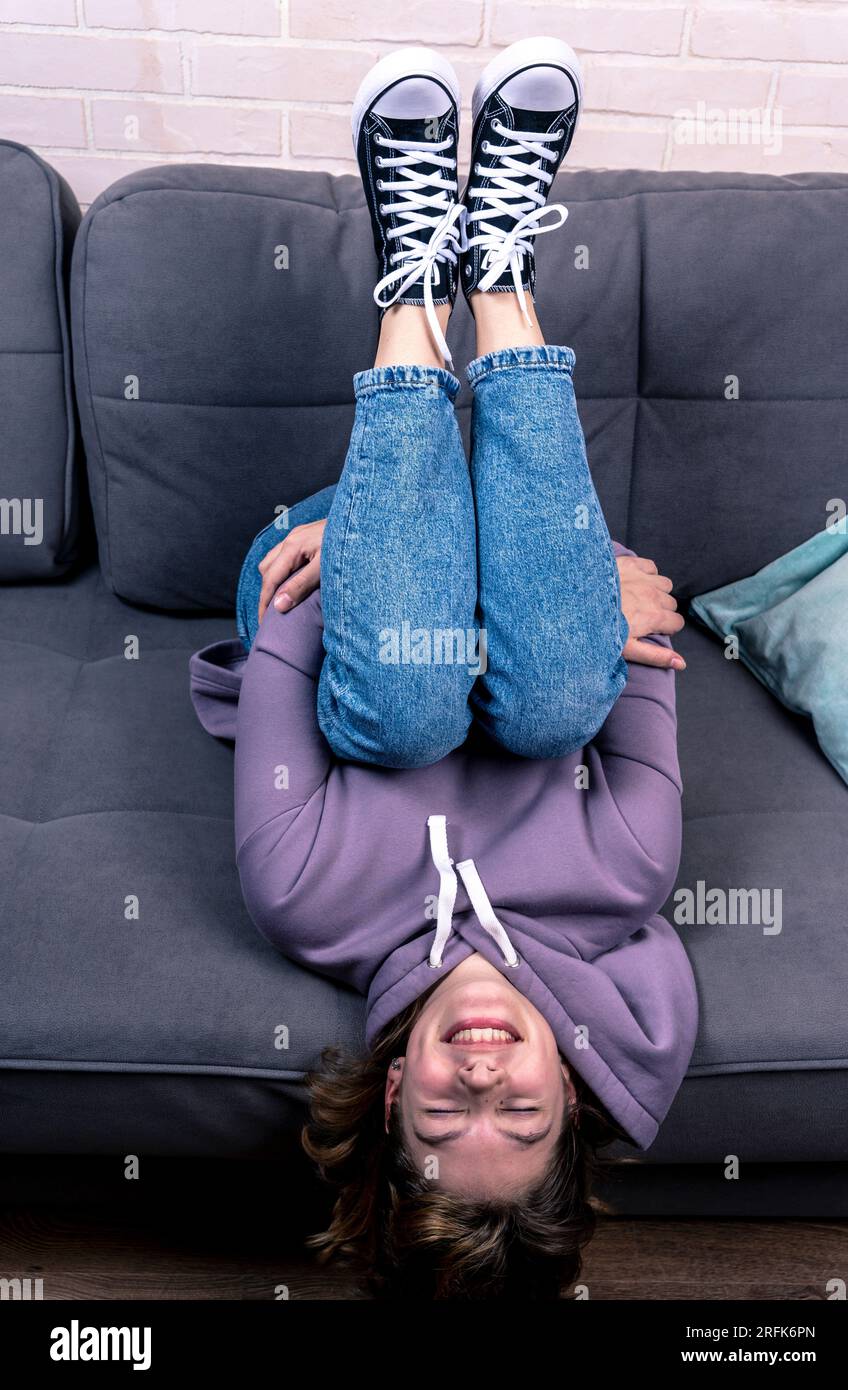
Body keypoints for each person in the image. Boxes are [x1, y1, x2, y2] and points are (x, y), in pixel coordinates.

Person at [189, 38, 699, 1300]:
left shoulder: (307, 896)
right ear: (570, 1094)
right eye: (519, 1125)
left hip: (330, 560)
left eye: (437, 1129)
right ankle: (500, 273)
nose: (481, 1086)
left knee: (408, 709)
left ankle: (418, 285)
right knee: (550, 699)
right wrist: (596, 602)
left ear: (389, 1103)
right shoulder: (622, 873)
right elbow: (637, 637)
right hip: (531, 576)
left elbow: (288, 636)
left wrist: (357, 558)